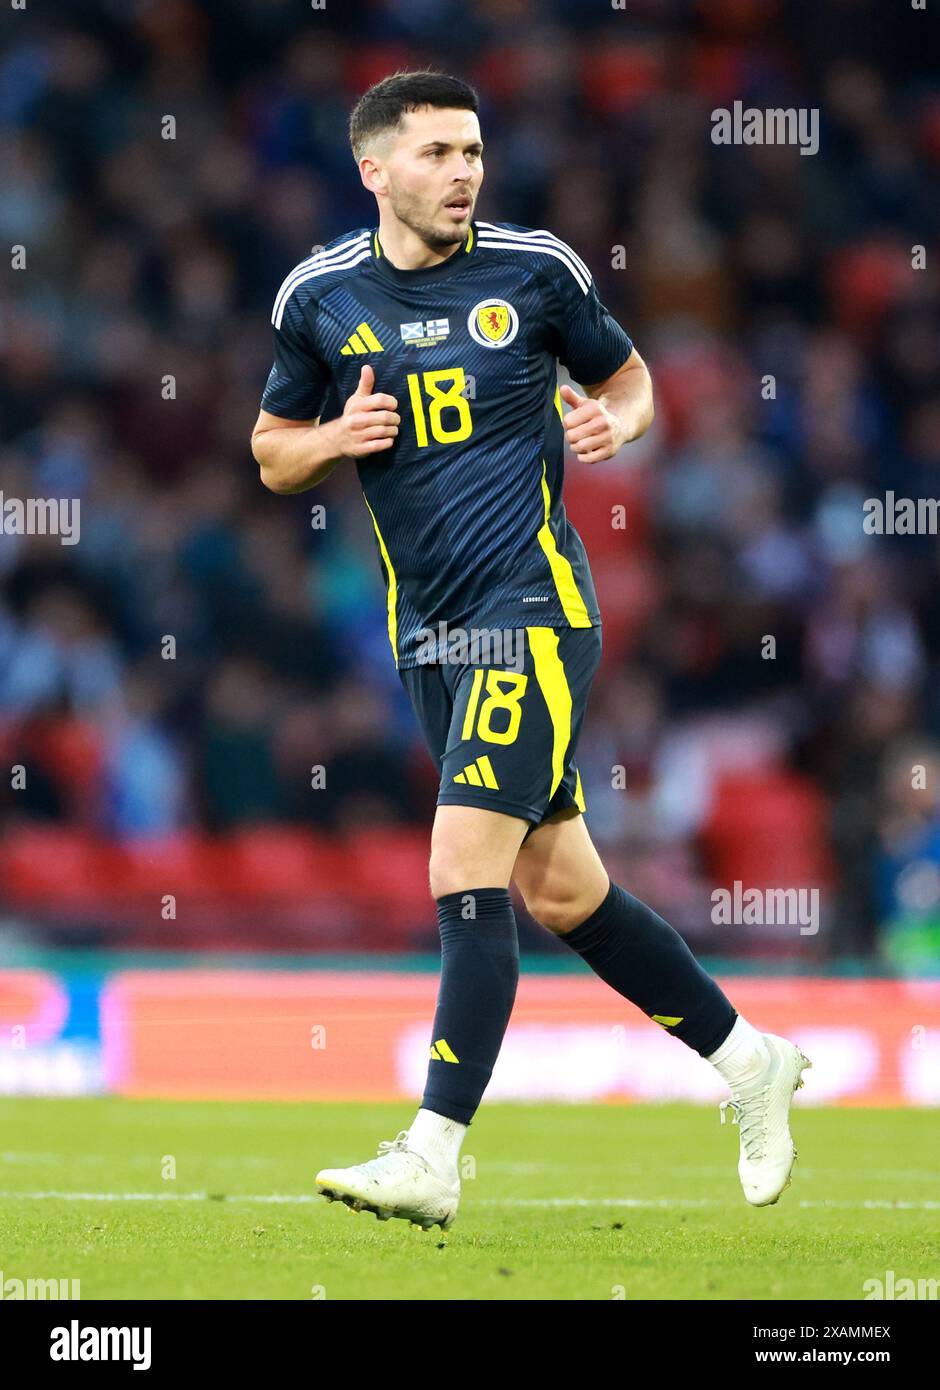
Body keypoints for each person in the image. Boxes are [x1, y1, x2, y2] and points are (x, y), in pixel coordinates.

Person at [250, 69, 810, 1232]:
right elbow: (269, 450)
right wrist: (334, 437)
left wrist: (618, 421)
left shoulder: (535, 270)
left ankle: (432, 1154)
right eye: (437, 153)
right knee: (562, 890)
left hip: (532, 614)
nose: (463, 172)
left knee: (462, 865)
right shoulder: (318, 296)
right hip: (428, 634)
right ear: (374, 170)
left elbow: (632, 380)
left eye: (472, 151)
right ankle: (749, 1059)